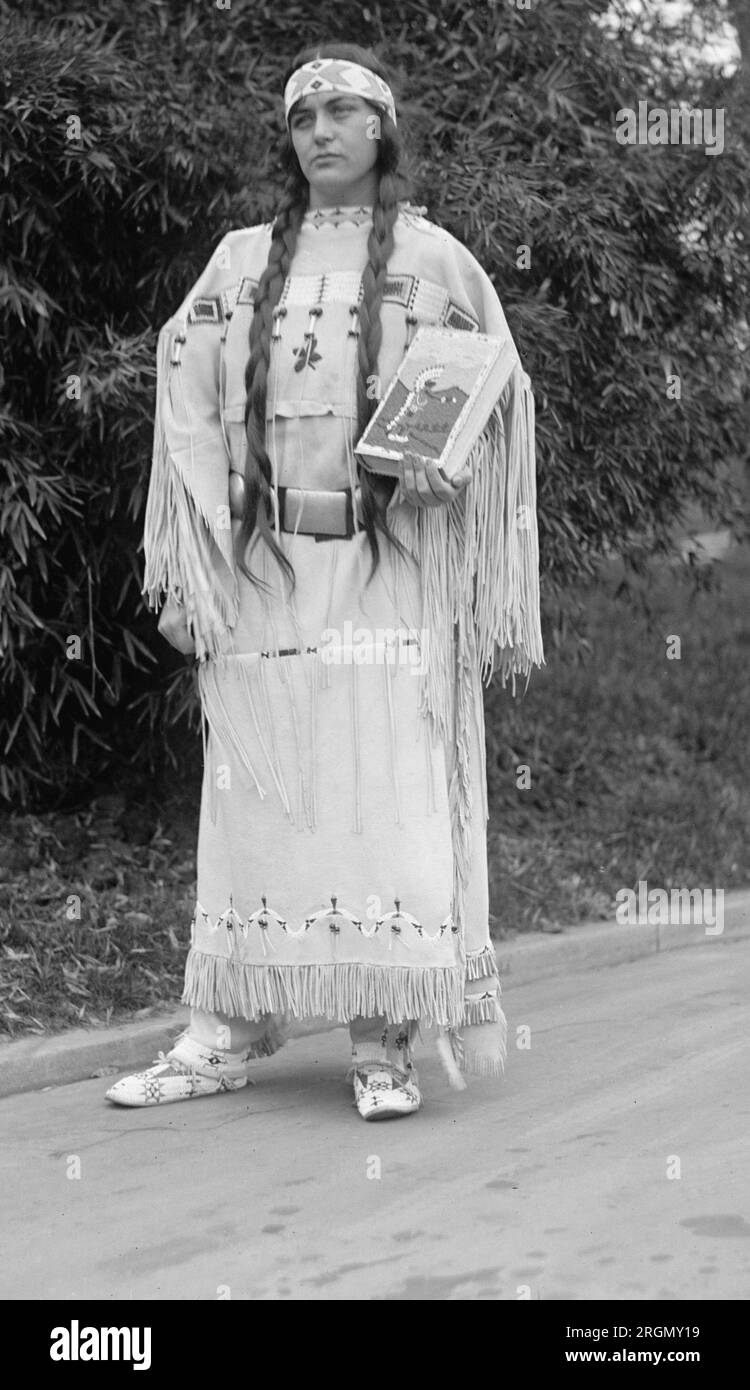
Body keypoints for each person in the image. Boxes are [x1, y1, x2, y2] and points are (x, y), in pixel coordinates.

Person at [106, 41, 543, 1120]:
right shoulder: (239, 261)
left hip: (388, 571)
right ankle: (222, 1030)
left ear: (382, 132)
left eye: (346, 112)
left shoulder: (436, 261)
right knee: (254, 799)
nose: (323, 132)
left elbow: (494, 386)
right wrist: (192, 558)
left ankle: (380, 1039)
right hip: (265, 569)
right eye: (305, 118)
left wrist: (449, 474)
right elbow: (188, 395)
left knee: (382, 794)